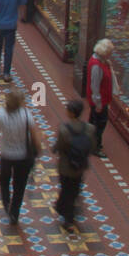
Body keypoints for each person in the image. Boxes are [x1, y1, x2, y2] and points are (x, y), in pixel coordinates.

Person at [0, 88, 41, 229]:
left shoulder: (0, 114)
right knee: (19, 186)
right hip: (23, 157)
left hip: (6, 155)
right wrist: (39, 150)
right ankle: (15, 213)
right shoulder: (26, 115)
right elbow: (35, 136)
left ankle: (6, 202)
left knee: (4, 180)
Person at [52, 99, 96, 233]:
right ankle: (62, 209)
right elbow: (92, 147)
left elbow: (59, 147)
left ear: (70, 113)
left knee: (66, 190)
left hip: (66, 166)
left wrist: (55, 149)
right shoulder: (89, 128)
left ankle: (68, 219)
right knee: (74, 190)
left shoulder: (64, 129)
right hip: (80, 166)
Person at [86, 38, 115, 157]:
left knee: (93, 120)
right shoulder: (96, 66)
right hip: (99, 100)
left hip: (101, 99)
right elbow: (95, 86)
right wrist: (98, 103)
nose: (110, 55)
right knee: (100, 123)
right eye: (109, 53)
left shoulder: (101, 61)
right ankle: (95, 146)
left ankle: (89, 141)